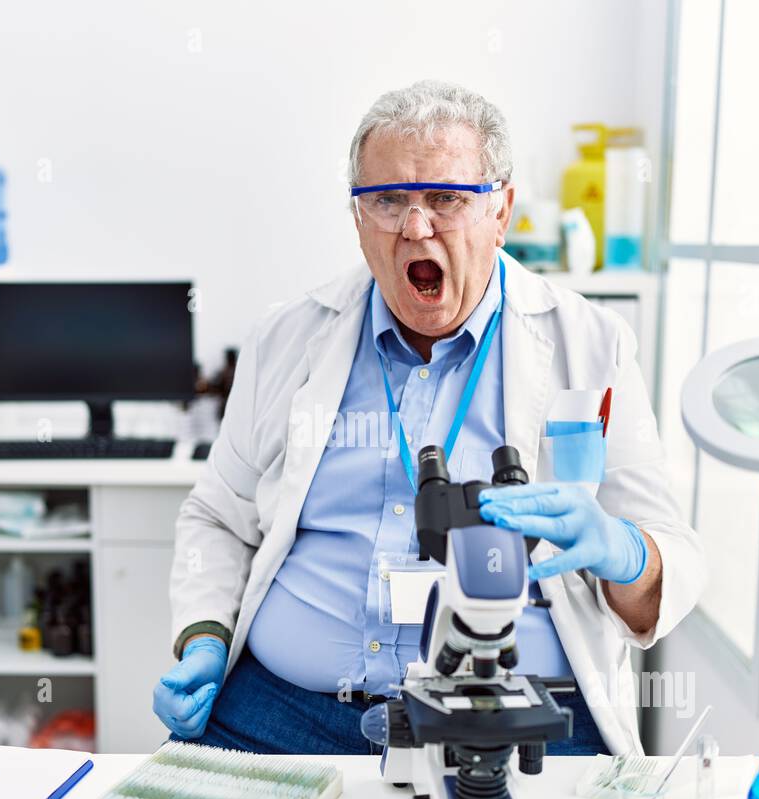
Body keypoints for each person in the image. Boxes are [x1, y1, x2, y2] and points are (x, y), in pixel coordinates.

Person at [154, 80, 706, 756]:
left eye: (446, 198)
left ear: (500, 211)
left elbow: (668, 568)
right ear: (358, 220)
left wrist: (624, 551)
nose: (416, 227)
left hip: (512, 718)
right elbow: (218, 515)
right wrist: (205, 637)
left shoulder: (591, 344)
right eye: (387, 201)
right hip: (283, 713)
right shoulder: (286, 338)